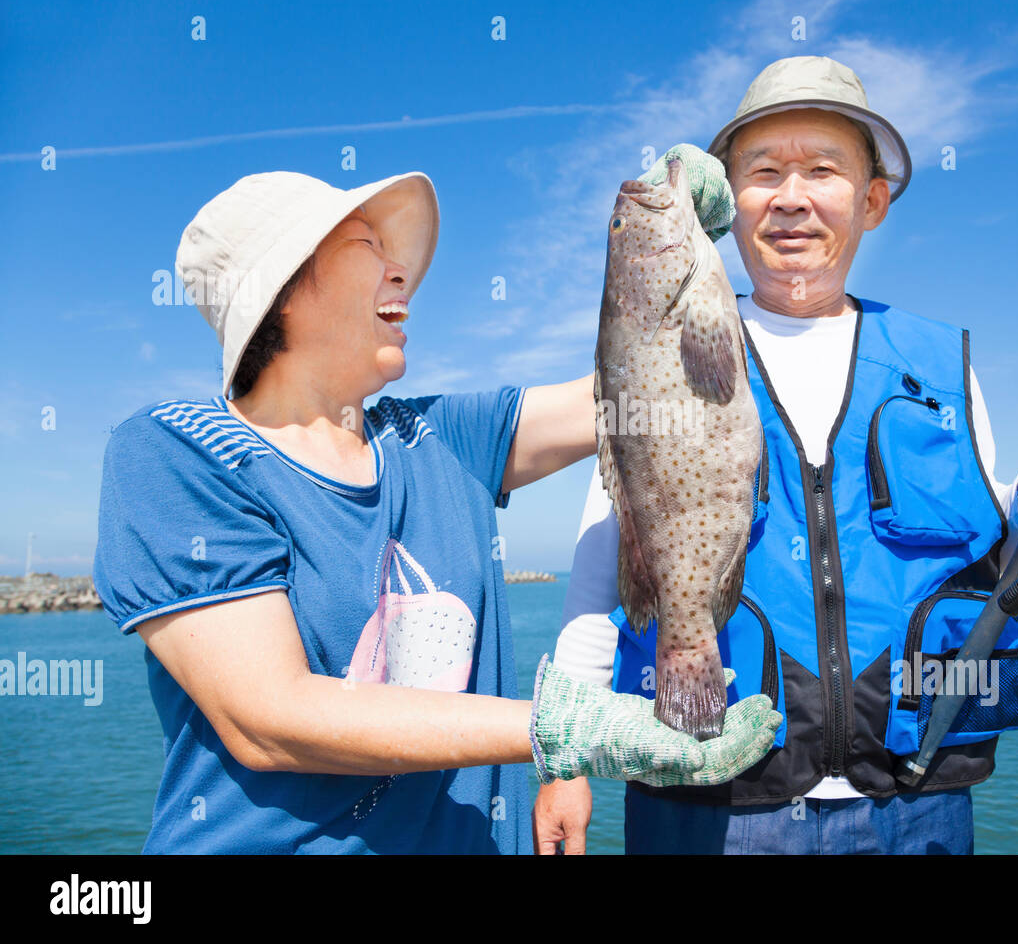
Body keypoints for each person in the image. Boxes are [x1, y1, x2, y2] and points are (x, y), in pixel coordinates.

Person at [534, 56, 1018, 854]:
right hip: (709, 801)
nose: (790, 197)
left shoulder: (935, 361)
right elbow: (611, 545)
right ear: (728, 199)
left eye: (822, 170)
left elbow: (983, 540)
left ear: (872, 200)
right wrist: (564, 756)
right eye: (763, 172)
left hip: (916, 802)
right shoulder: (661, 341)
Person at [92, 169, 781, 854]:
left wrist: (682, 237)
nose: (401, 272)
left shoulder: (440, 437)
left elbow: (652, 385)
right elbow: (270, 718)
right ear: (281, 294)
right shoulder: (177, 452)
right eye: (366, 245)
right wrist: (566, 727)